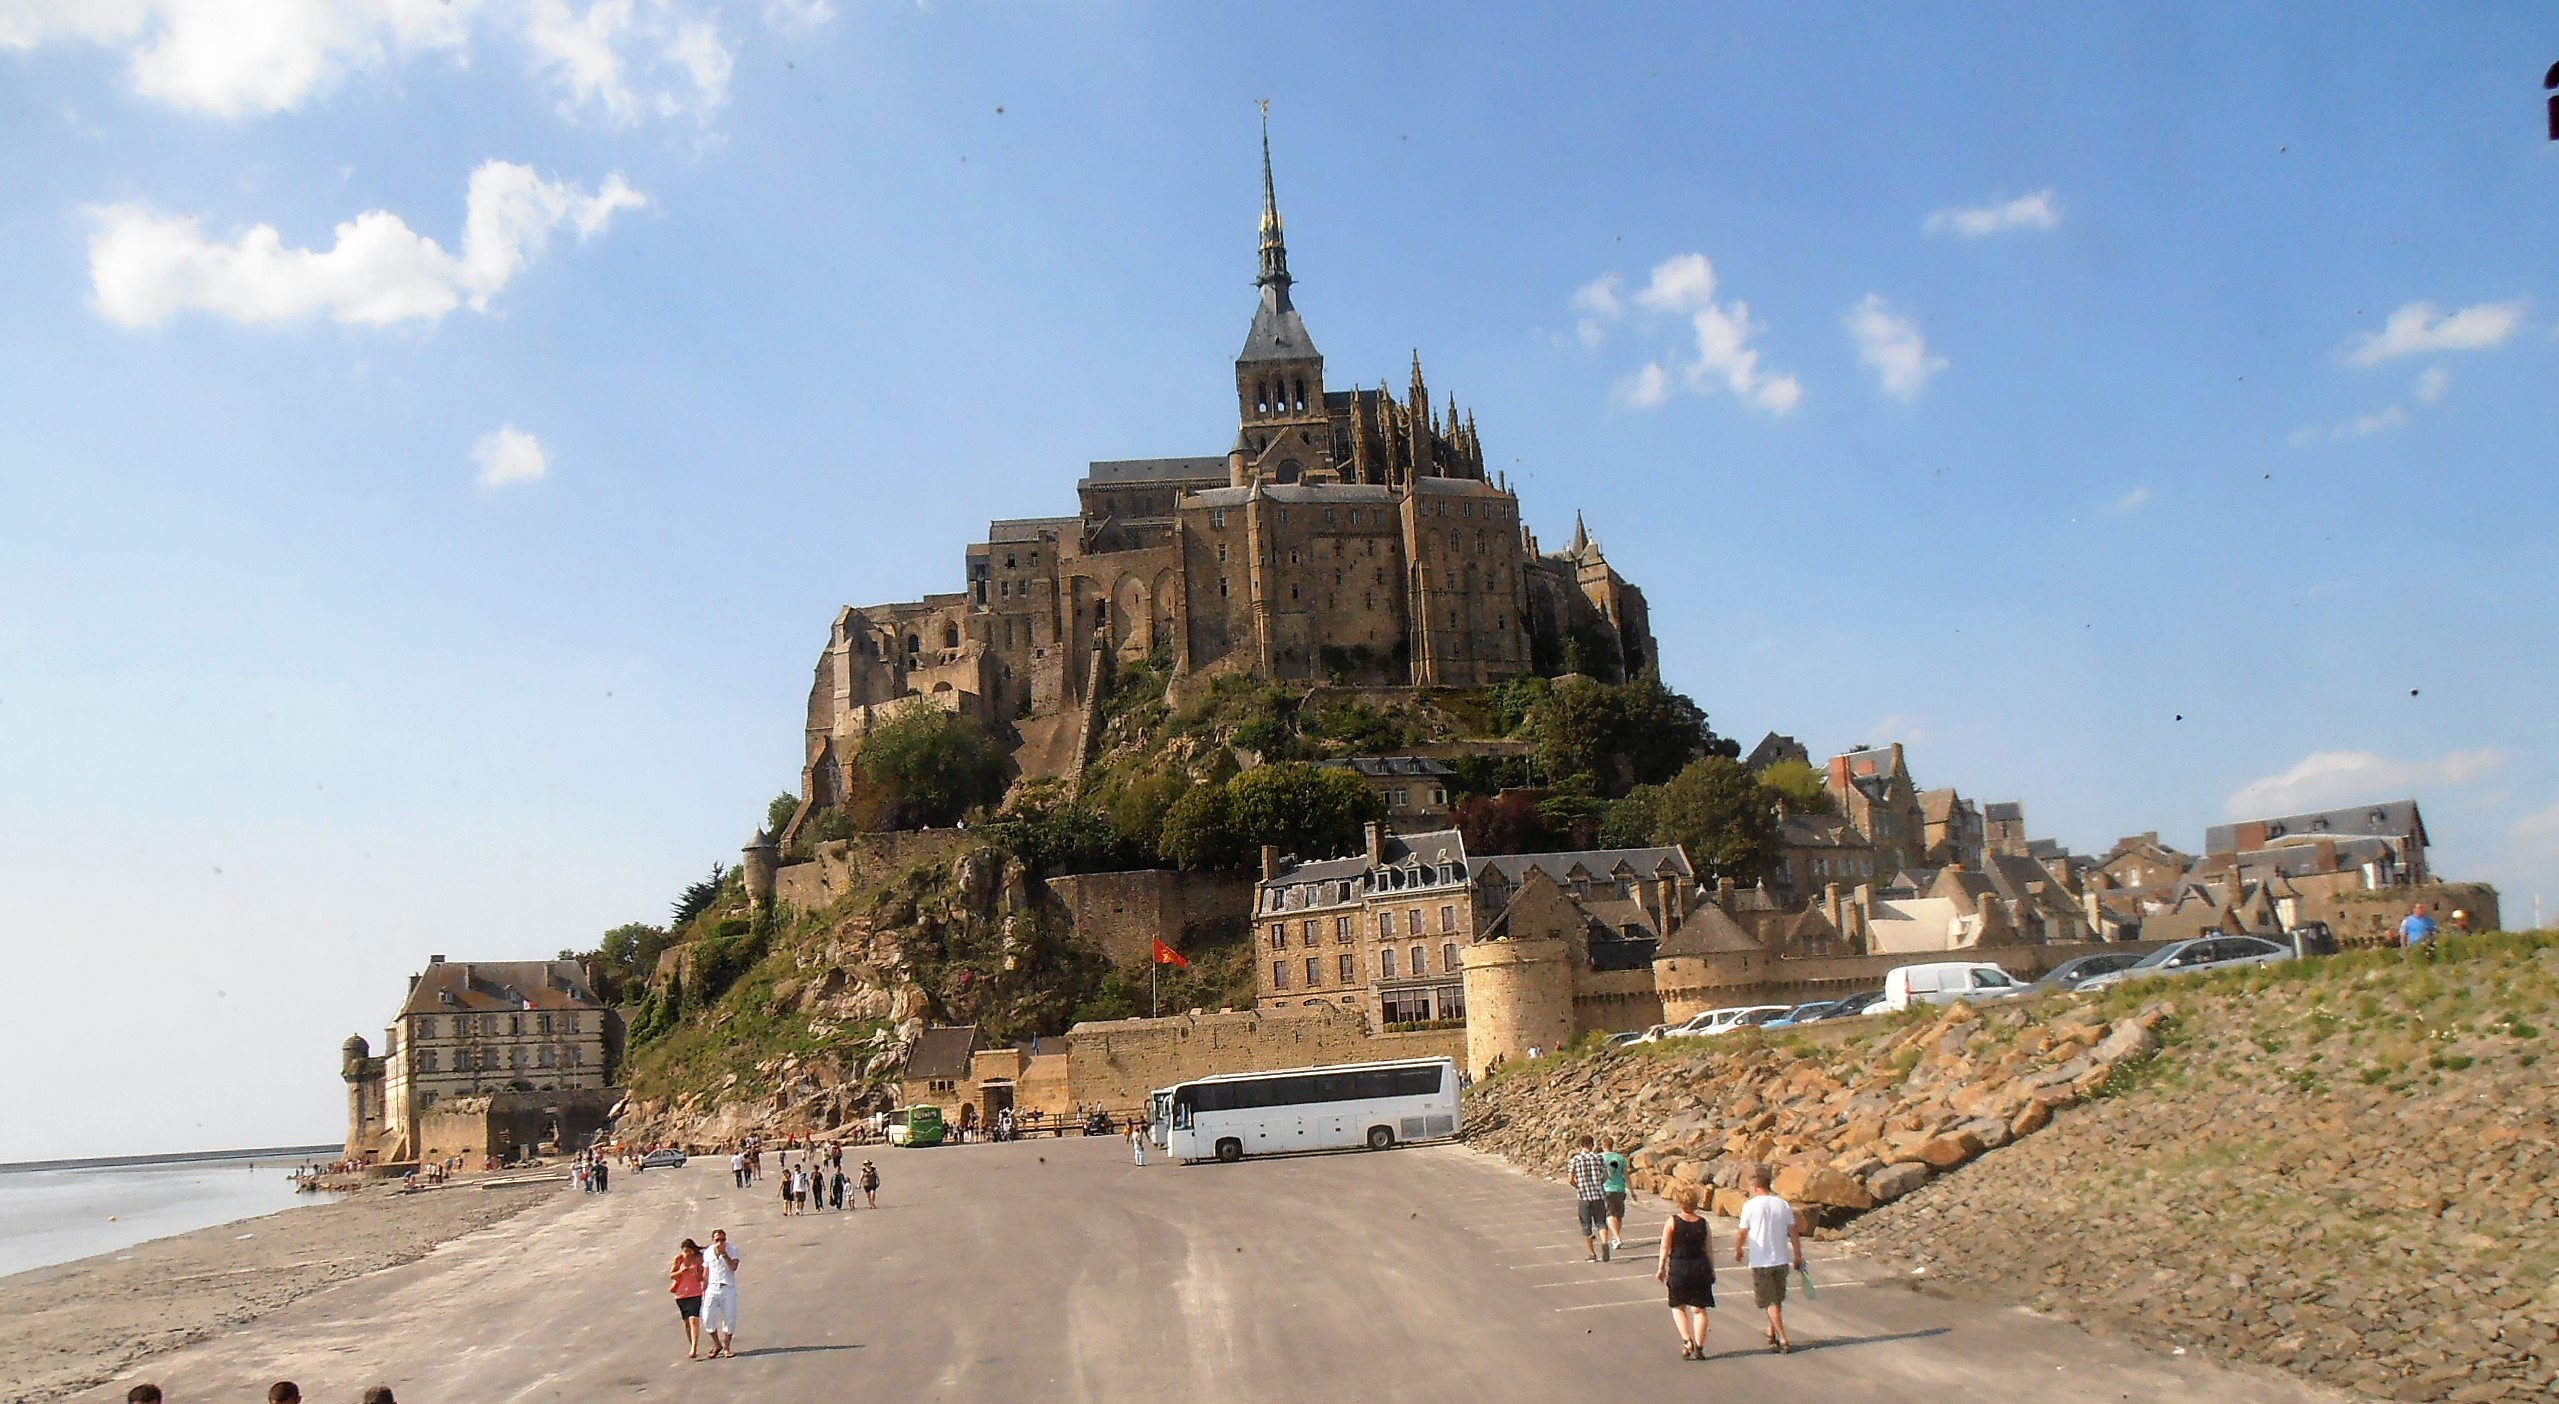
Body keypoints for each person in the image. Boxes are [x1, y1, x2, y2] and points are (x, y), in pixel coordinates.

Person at [1732, 1165, 1805, 1353]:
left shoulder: (1750, 1206)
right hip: (1780, 1259)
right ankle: (1771, 1331)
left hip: (1760, 1260)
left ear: (1756, 1187)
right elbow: (1793, 1232)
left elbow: (1742, 1231)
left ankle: (1783, 1339)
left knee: (1770, 1302)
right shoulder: (1782, 1204)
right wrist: (1798, 1255)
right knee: (1777, 1299)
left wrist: (1738, 1249)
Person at [1654, 1182, 1716, 1359]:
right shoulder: (1704, 1223)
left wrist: (1661, 1267)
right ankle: (1700, 1346)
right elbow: (1709, 1249)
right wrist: (1711, 1269)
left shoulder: (1673, 1221)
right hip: (1700, 1267)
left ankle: (1687, 1340)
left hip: (1680, 1267)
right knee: (1699, 1309)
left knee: (1678, 1306)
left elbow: (1665, 1246)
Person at [1566, 1135, 1610, 1261]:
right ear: (1592, 1144)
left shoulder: (1575, 1160)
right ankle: (1604, 1241)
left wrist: (1578, 1186)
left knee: (1586, 1226)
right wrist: (1599, 1183)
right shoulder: (1599, 1158)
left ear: (1580, 1145)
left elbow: (1570, 1178)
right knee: (1601, 1222)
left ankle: (1592, 1253)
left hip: (1584, 1196)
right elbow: (1606, 1175)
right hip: (1598, 1195)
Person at [702, 1229, 741, 1359]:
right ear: (713, 1240)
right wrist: (704, 1286)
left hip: (727, 1287)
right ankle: (717, 1344)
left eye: (723, 1239)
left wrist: (724, 1254)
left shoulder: (732, 1249)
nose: (720, 1242)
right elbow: (706, 1271)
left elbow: (733, 1267)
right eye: (717, 1240)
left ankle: (727, 1347)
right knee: (707, 1318)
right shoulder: (708, 1252)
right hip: (712, 1288)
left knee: (729, 1318)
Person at [669, 1237, 708, 1359]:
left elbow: (702, 1277)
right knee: (686, 1322)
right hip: (681, 1295)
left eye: (689, 1251)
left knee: (693, 1320)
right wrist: (681, 1271)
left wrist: (696, 1273)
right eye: (685, 1251)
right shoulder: (679, 1259)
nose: (687, 1254)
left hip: (695, 1293)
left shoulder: (698, 1259)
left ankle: (694, 1349)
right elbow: (671, 1275)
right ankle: (692, 1345)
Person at [1601, 1142, 1632, 1258]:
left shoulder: (1600, 1158)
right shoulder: (1620, 1158)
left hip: (1607, 1189)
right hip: (1620, 1189)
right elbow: (1626, 1175)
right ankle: (1616, 1237)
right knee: (1618, 1215)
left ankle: (1616, 1237)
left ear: (1603, 1146)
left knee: (1609, 1214)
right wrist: (1632, 1191)